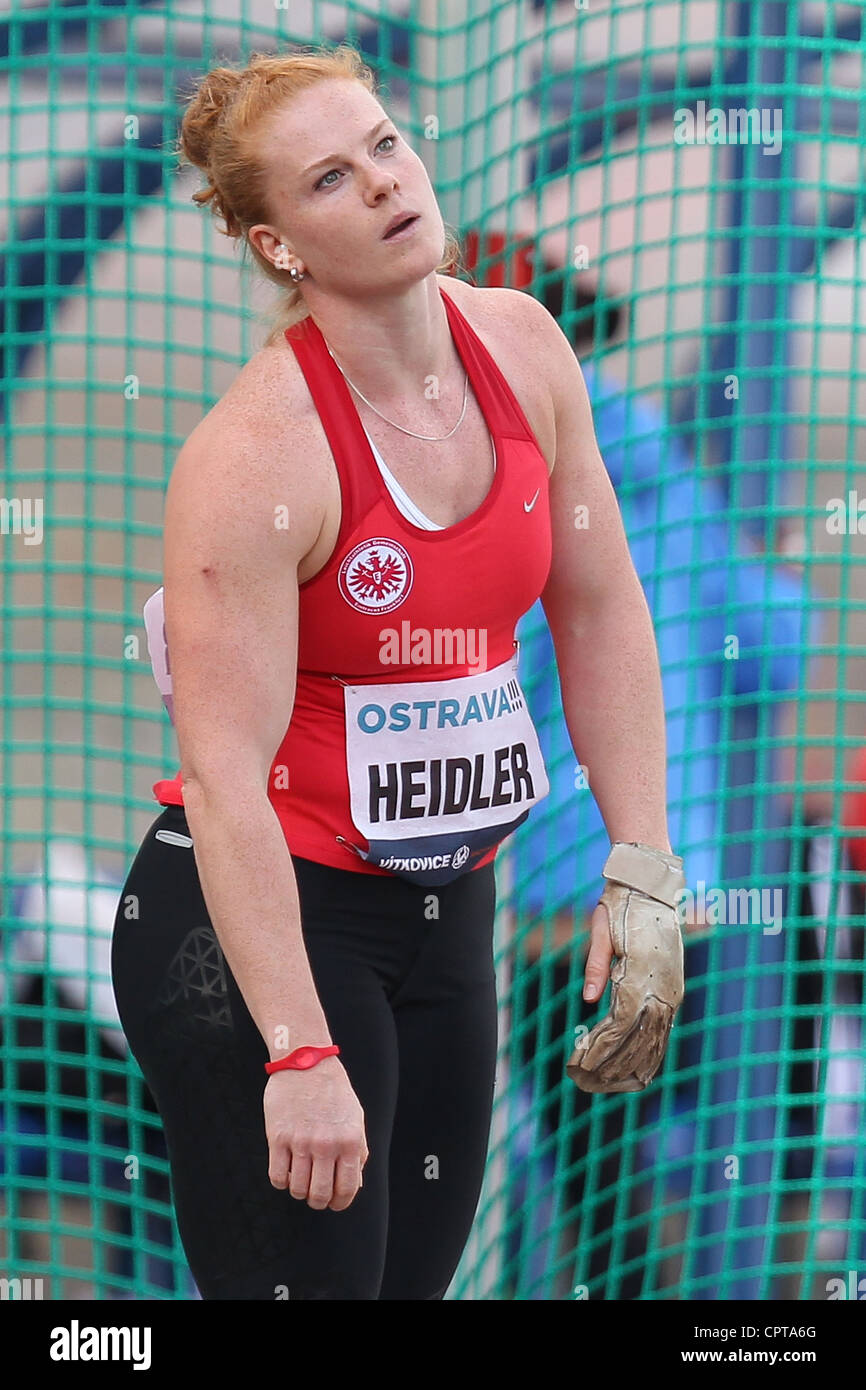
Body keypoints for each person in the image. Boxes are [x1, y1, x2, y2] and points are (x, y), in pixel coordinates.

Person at [110, 42, 685, 1301]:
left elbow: (598, 606)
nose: (381, 182)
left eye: (382, 144)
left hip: (445, 921)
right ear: (278, 248)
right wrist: (297, 1048)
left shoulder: (525, 346)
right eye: (328, 178)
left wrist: (640, 867)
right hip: (258, 931)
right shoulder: (255, 458)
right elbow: (224, 781)